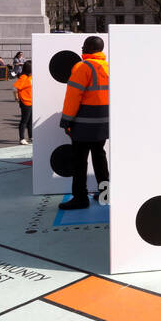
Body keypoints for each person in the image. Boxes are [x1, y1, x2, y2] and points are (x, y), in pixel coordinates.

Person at [58, 36, 110, 209]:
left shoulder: (82, 67)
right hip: (103, 122)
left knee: (79, 160)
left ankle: (80, 197)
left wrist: (66, 119)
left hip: (83, 123)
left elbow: (73, 96)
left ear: (87, 48)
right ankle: (105, 194)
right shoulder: (108, 67)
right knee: (99, 156)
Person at [14, 59, 34, 145]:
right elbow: (14, 88)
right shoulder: (23, 78)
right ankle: (21, 138)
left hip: (31, 101)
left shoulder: (30, 77)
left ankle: (31, 136)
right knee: (24, 121)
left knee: (30, 120)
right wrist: (16, 98)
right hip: (25, 102)